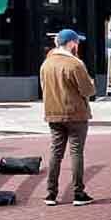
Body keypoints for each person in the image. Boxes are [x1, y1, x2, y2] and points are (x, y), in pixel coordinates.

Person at [40, 28, 95, 206]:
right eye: (76, 42)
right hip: (76, 114)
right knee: (76, 152)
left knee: (55, 153)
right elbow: (88, 90)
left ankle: (50, 193)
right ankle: (78, 193)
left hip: (53, 113)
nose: (78, 45)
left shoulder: (46, 64)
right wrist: (91, 84)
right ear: (71, 43)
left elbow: (43, 88)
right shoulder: (75, 64)